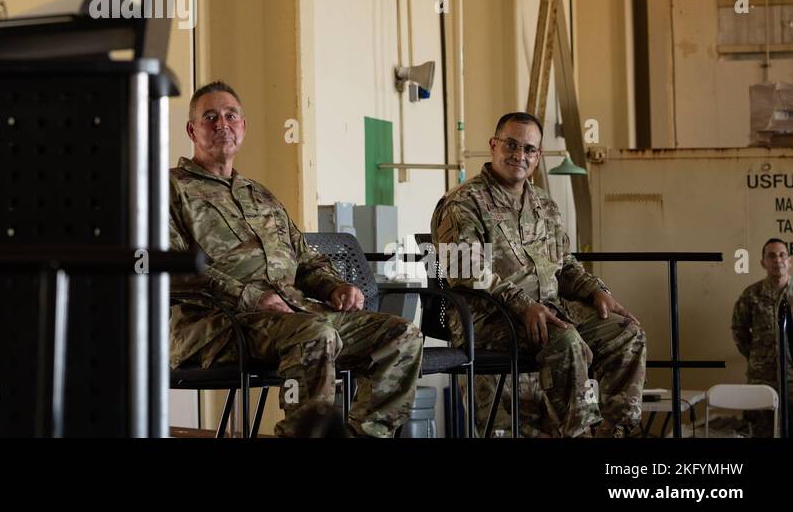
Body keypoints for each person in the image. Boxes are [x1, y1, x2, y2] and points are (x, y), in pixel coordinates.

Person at [168, 81, 423, 437]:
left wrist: (335, 287)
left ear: (243, 127)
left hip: (292, 314)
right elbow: (173, 269)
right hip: (218, 325)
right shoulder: (169, 190)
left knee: (403, 335)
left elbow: (305, 260)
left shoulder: (260, 196)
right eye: (209, 117)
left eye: (231, 115)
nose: (221, 124)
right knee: (314, 334)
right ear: (191, 130)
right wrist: (251, 297)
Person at [431, 111, 645, 437]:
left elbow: (565, 264)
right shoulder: (463, 203)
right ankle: (578, 432)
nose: (519, 155)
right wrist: (523, 305)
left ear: (538, 156)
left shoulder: (543, 204)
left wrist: (595, 291)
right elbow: (467, 271)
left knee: (626, 331)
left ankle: (616, 432)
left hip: (548, 309)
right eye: (511, 145)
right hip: (490, 318)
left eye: (529, 149)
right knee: (565, 339)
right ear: (493, 145)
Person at [731, 237, 793, 437]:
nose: (778, 260)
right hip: (762, 378)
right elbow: (739, 330)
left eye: (782, 255)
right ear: (763, 262)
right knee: (759, 432)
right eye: (771, 256)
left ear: (789, 260)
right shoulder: (752, 295)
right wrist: (757, 357)